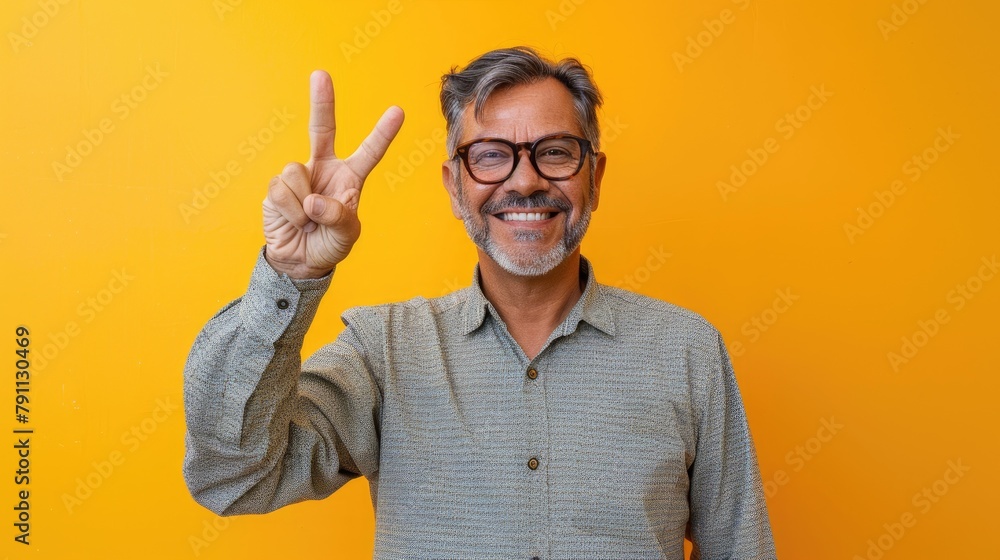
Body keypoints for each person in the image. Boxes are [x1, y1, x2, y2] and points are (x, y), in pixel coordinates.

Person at [183, 46, 776, 559]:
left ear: (594, 177)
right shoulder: (382, 351)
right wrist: (288, 276)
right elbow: (233, 477)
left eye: (555, 152)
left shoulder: (686, 350)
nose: (524, 181)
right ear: (454, 185)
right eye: (490, 154)